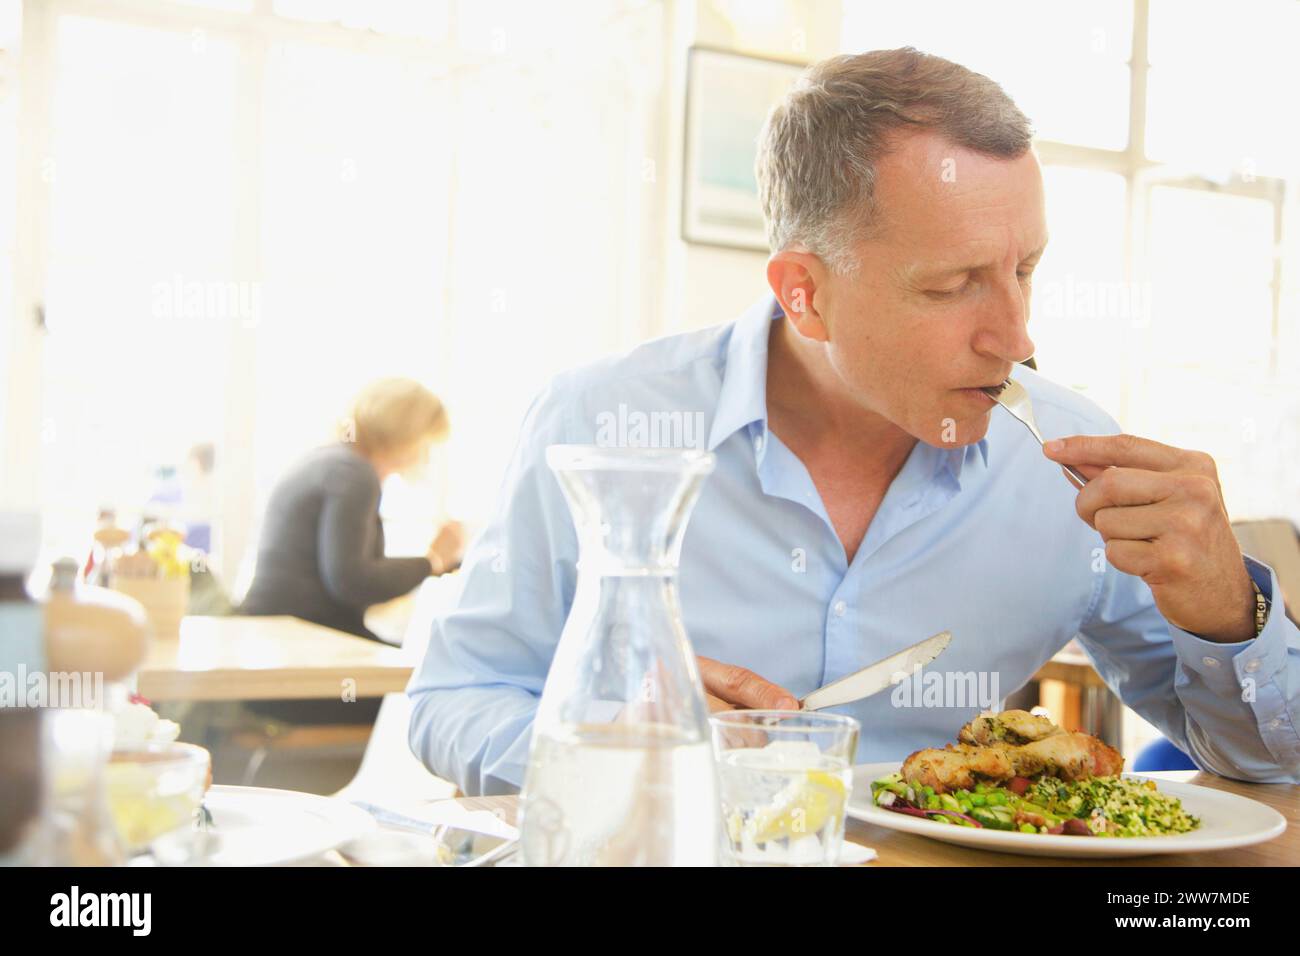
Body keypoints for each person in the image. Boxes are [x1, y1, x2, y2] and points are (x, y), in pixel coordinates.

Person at [408, 48, 1300, 795]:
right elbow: (457, 697)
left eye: (1024, 269)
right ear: (806, 294)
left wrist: (1233, 613)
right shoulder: (601, 421)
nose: (1016, 337)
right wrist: (618, 753)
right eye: (951, 287)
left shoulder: (1070, 466)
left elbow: (1264, 764)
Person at [242, 377, 465, 642]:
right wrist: (433, 562)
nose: (424, 457)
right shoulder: (355, 474)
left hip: (276, 628)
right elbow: (351, 581)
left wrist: (431, 565)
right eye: (425, 443)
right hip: (301, 636)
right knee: (423, 666)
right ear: (405, 435)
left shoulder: (330, 461)